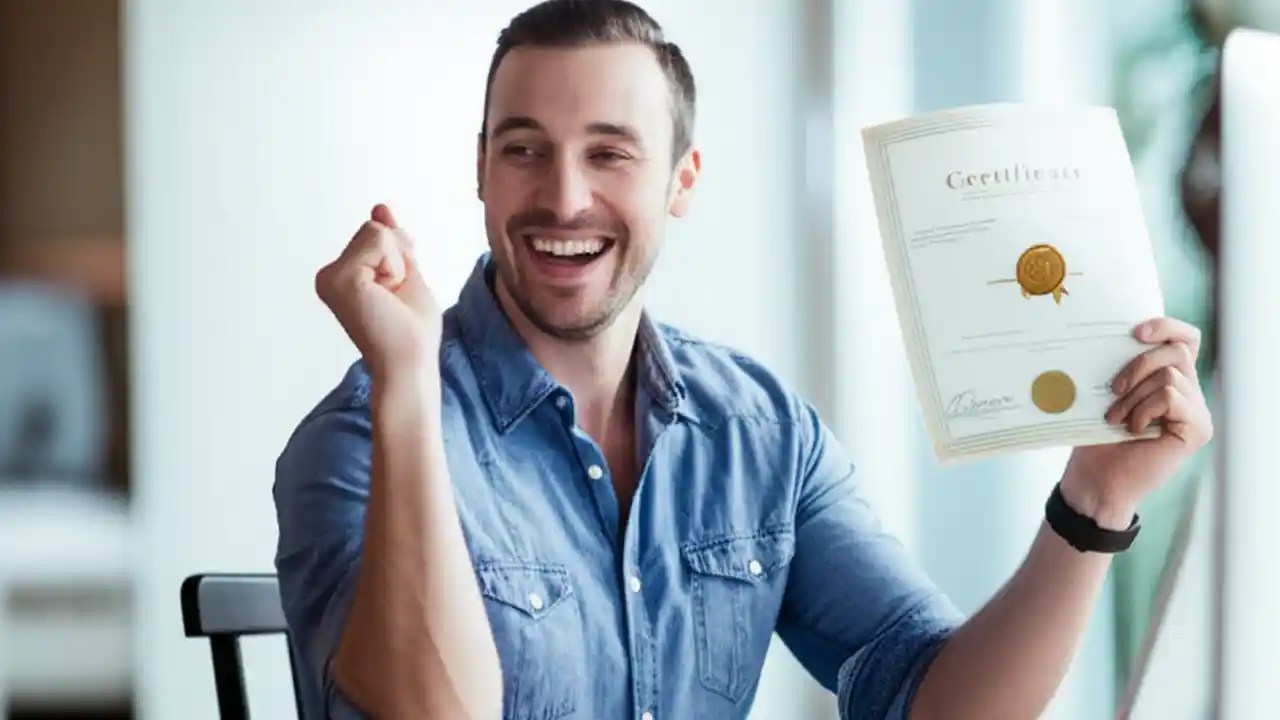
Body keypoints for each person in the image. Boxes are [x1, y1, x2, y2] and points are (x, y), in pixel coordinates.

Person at [272, 1, 1214, 718]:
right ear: (480, 169)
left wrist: (1097, 500)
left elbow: (936, 699)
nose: (563, 198)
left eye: (610, 154)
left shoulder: (759, 432)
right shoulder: (362, 434)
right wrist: (407, 382)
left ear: (682, 180)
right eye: (526, 150)